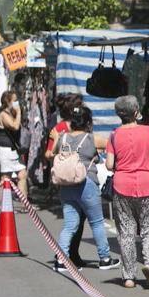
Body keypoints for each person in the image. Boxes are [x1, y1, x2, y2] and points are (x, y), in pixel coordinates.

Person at [106, 96, 149, 289]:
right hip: (148, 185)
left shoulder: (113, 135)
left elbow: (110, 165)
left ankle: (129, 277)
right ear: (136, 111)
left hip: (122, 186)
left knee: (126, 232)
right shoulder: (148, 131)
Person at [52, 106, 120, 272]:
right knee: (96, 222)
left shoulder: (63, 138)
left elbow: (53, 152)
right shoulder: (92, 139)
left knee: (69, 225)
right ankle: (104, 258)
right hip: (86, 183)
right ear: (88, 122)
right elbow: (113, 144)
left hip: (66, 186)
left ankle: (61, 259)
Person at [45, 93, 88, 267]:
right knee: (74, 217)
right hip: (70, 178)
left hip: (80, 177)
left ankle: (73, 253)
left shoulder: (81, 126)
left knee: (80, 216)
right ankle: (65, 253)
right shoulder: (60, 129)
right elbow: (48, 154)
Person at [0, 91, 28, 197]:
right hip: (6, 150)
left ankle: (24, 204)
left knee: (22, 174)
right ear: (7, 102)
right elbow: (14, 126)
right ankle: (3, 207)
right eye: (14, 101)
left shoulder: (12, 113)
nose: (16, 103)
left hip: (15, 150)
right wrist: (18, 112)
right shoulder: (3, 115)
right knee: (6, 178)